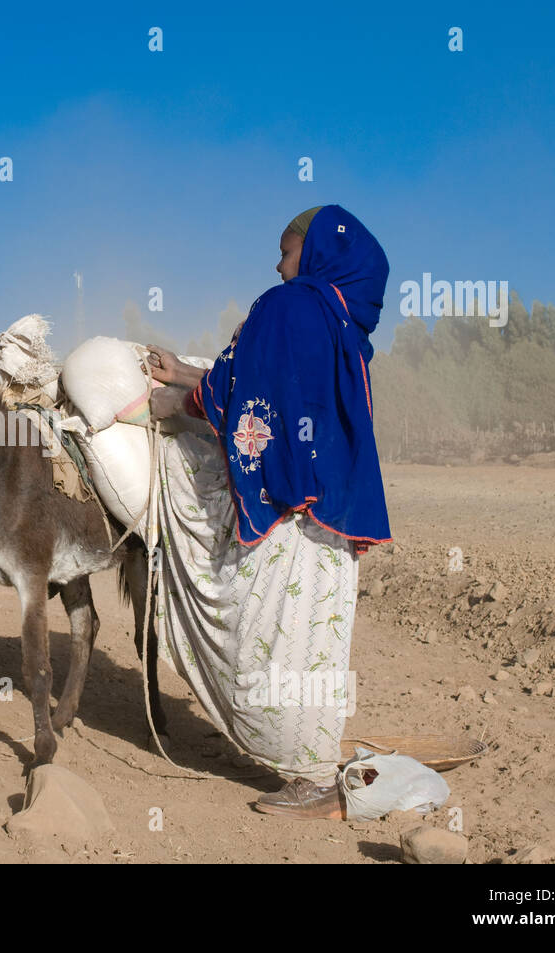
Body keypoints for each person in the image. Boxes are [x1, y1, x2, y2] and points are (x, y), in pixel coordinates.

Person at [147, 205, 392, 818]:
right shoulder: (341, 324)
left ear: (316, 255)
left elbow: (253, 398)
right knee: (310, 645)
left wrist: (178, 401)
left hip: (288, 515)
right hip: (326, 520)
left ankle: (311, 782)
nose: (278, 264)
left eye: (286, 251)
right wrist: (192, 374)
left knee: (266, 638)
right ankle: (311, 763)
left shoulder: (290, 305)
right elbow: (272, 385)